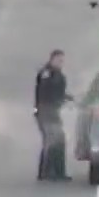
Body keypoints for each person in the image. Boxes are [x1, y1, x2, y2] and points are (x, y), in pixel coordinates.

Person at [34, 50, 71, 182]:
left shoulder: (59, 75)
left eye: (62, 61)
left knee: (60, 140)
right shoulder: (46, 73)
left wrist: (68, 98)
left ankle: (59, 172)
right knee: (51, 140)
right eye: (59, 60)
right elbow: (45, 92)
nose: (61, 63)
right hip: (45, 111)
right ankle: (45, 172)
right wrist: (59, 99)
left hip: (54, 111)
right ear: (52, 59)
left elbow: (59, 92)